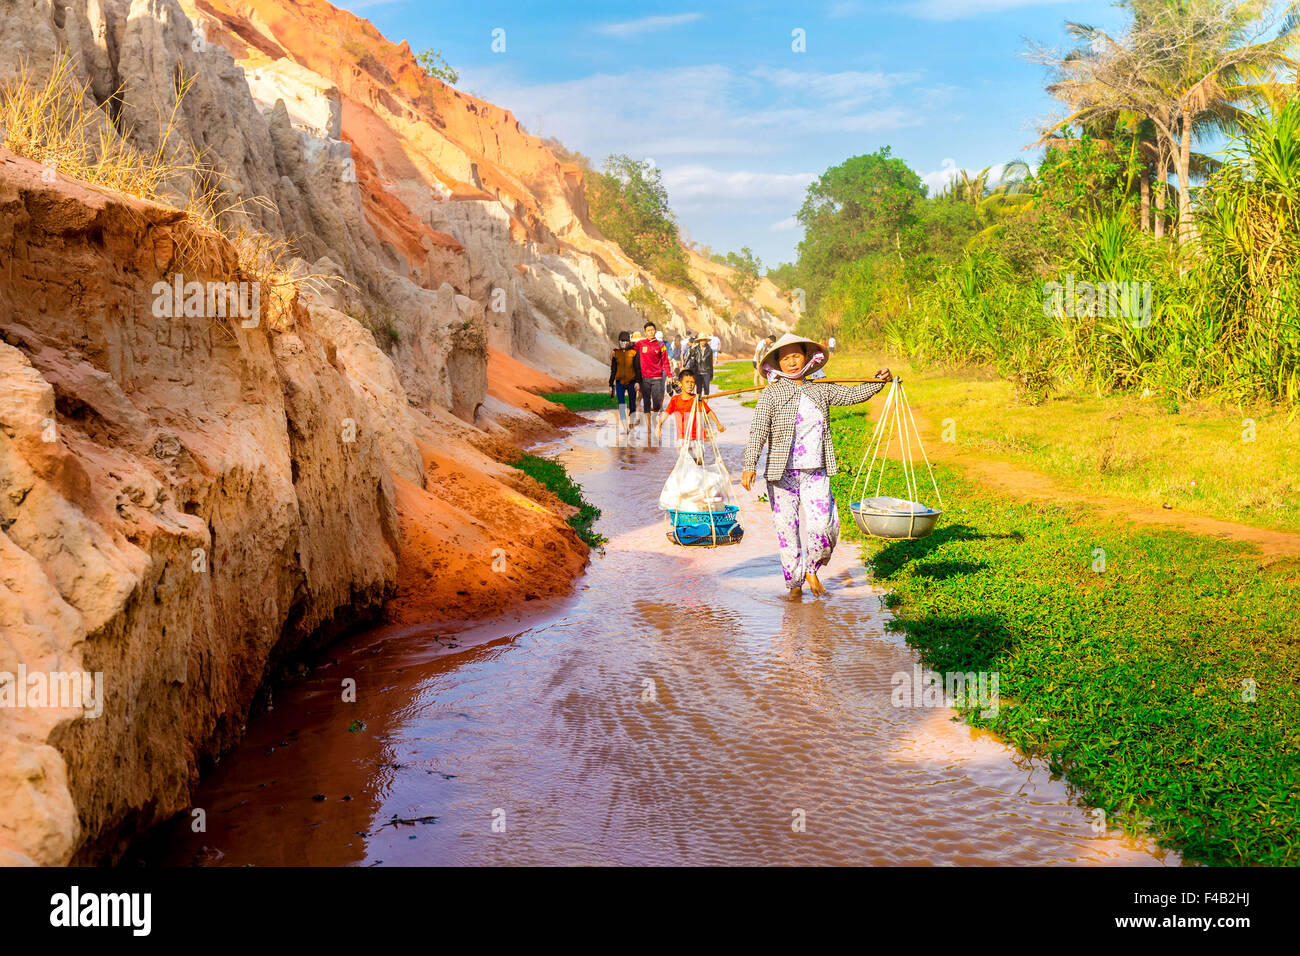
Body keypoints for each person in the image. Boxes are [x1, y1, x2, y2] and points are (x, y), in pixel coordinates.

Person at [740, 333, 890, 598]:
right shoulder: (771, 394)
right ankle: (794, 587)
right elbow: (758, 430)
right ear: (777, 364)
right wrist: (749, 464)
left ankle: (812, 569)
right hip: (781, 474)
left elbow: (851, 395)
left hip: (816, 471)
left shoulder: (821, 387)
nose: (792, 363)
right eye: (785, 359)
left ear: (807, 358)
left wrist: (878, 382)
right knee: (787, 532)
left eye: (796, 356)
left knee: (823, 527)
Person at [657, 367, 724, 458]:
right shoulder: (675, 400)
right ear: (680, 384)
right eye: (687, 382)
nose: (690, 385)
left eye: (692, 382)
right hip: (682, 438)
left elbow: (708, 411)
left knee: (699, 462)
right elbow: (667, 413)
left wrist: (718, 424)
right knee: (685, 461)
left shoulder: (697, 399)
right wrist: (659, 424)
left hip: (697, 438)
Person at [634, 321, 670, 419]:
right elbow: (630, 348)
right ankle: (649, 430)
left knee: (657, 404)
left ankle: (655, 411)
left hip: (657, 378)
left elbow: (665, 361)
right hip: (645, 378)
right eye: (648, 331)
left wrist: (669, 375)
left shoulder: (661, 345)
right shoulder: (641, 343)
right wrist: (615, 351)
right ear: (645, 332)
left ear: (655, 331)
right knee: (646, 402)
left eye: (652, 330)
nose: (650, 332)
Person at [608, 330, 642, 431]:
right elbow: (613, 370)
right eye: (621, 340)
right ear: (618, 341)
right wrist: (610, 384)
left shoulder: (634, 353)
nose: (623, 342)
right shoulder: (615, 353)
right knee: (621, 404)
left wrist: (638, 382)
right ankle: (624, 427)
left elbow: (637, 369)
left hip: (632, 382)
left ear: (629, 341)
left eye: (625, 340)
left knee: (632, 404)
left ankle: (631, 425)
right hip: (619, 383)